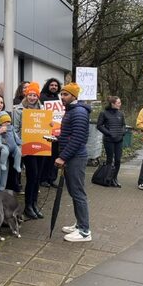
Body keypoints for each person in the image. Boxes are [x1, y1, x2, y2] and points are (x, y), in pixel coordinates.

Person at [56, 82, 92, 242]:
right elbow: (71, 135)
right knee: (74, 192)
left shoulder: (78, 112)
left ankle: (84, 231)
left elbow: (78, 138)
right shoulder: (72, 110)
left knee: (78, 193)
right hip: (72, 156)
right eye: (61, 94)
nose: (62, 97)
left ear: (74, 96)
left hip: (75, 158)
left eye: (65, 94)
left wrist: (63, 157)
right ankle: (79, 224)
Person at [17, 82, 46, 219]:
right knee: (32, 175)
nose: (32, 97)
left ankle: (34, 203)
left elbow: (47, 128)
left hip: (41, 147)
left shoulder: (44, 110)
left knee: (38, 176)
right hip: (27, 148)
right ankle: (28, 205)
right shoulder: (19, 110)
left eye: (35, 95)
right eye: (30, 95)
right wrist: (21, 145)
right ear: (26, 95)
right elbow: (16, 130)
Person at [96, 96, 126, 188]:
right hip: (109, 140)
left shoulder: (120, 114)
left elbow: (123, 125)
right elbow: (99, 125)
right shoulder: (104, 113)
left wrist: (123, 132)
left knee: (117, 160)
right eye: (118, 103)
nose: (120, 104)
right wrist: (108, 133)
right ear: (112, 104)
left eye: (120, 102)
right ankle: (107, 178)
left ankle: (114, 178)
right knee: (110, 160)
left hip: (119, 140)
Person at [39, 78, 62, 188]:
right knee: (46, 157)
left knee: (55, 156)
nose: (54, 87)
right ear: (48, 86)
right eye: (52, 85)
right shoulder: (42, 97)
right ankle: (43, 179)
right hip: (46, 132)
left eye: (56, 85)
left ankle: (52, 178)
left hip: (57, 132)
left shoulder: (60, 99)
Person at [0, 111, 22, 190]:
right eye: (5, 122)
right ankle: (2, 163)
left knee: (19, 152)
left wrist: (19, 142)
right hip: (5, 145)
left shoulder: (12, 128)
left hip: (14, 146)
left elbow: (15, 136)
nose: (7, 123)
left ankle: (17, 165)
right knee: (5, 152)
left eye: (8, 121)